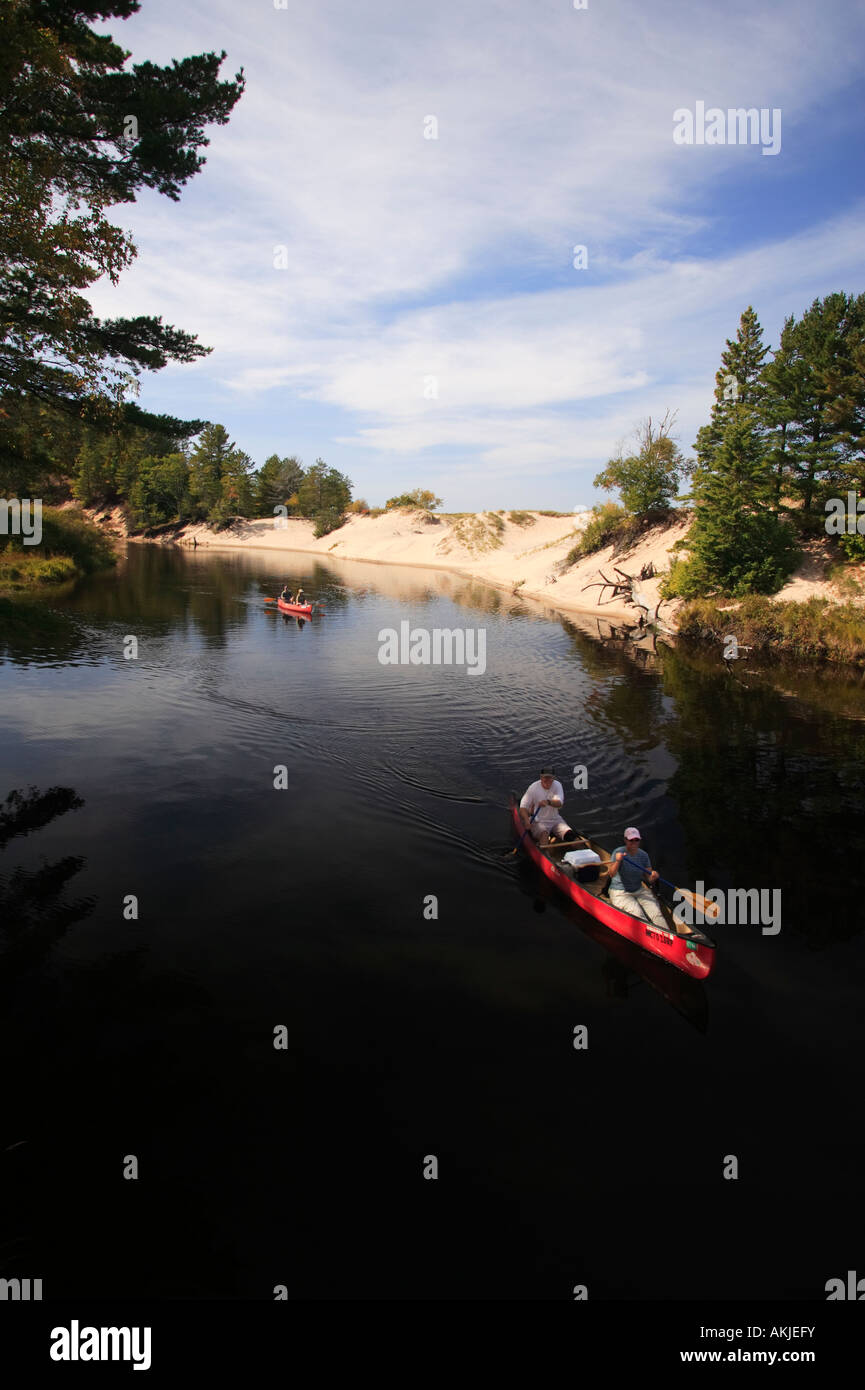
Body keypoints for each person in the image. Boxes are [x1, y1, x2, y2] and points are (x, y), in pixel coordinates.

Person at [604, 828, 669, 930]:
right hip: (620, 892)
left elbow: (648, 878)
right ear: (625, 840)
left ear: (639, 840)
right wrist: (617, 861)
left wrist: (653, 876)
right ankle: (651, 934)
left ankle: (666, 933)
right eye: (631, 840)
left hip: (638, 890)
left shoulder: (643, 855)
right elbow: (611, 874)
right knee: (637, 913)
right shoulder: (618, 852)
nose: (634, 842)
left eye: (636, 840)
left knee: (656, 912)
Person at [519, 767, 574, 847]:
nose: (548, 780)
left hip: (555, 819)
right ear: (541, 777)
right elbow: (523, 807)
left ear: (553, 778)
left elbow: (559, 803)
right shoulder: (533, 788)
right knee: (544, 835)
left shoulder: (557, 785)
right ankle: (547, 851)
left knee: (571, 835)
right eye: (545, 777)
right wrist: (527, 821)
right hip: (539, 820)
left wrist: (548, 802)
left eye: (550, 778)